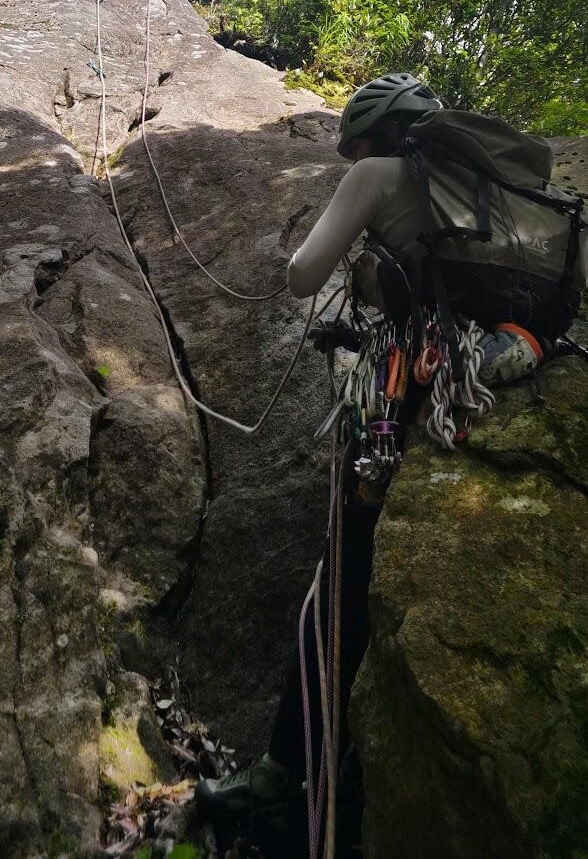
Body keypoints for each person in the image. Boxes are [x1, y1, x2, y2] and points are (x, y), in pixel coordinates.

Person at [195, 72, 586, 850]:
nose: (361, 155)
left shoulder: (378, 174)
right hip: (528, 354)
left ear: (378, 135)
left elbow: (303, 275)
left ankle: (282, 772)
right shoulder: (518, 192)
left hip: (418, 385)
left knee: (339, 579)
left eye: (361, 143)